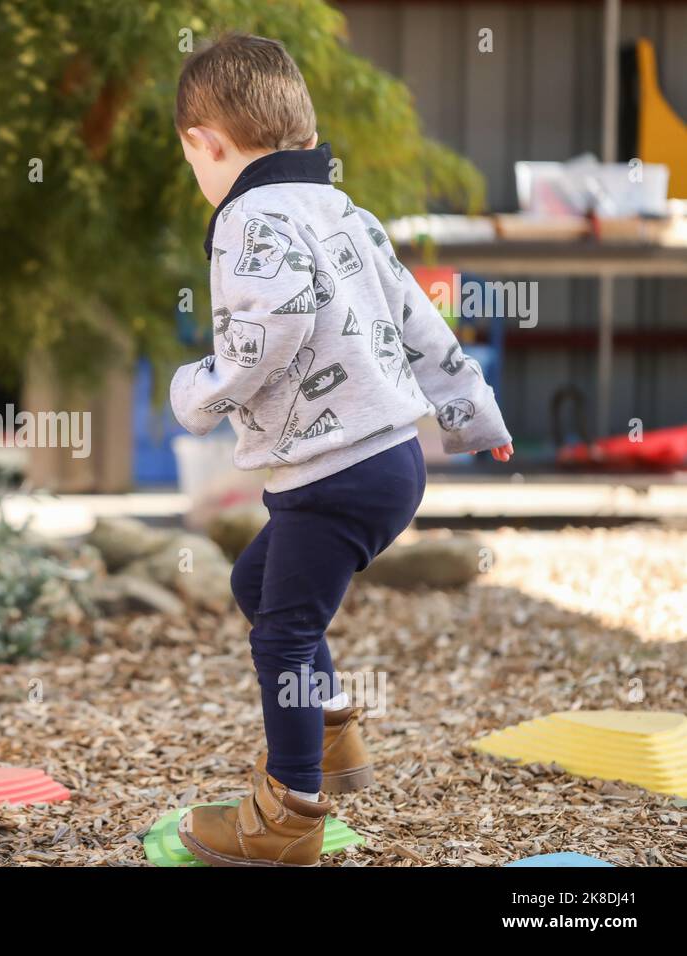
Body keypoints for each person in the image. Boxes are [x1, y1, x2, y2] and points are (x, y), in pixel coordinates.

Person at [169, 33, 513, 866]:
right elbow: (417, 319)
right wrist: (474, 414)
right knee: (258, 584)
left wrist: (198, 393)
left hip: (335, 472)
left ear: (205, 144)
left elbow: (268, 330)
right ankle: (330, 735)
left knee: (282, 634)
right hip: (389, 464)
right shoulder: (344, 212)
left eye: (194, 164)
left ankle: (288, 814)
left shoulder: (248, 216)